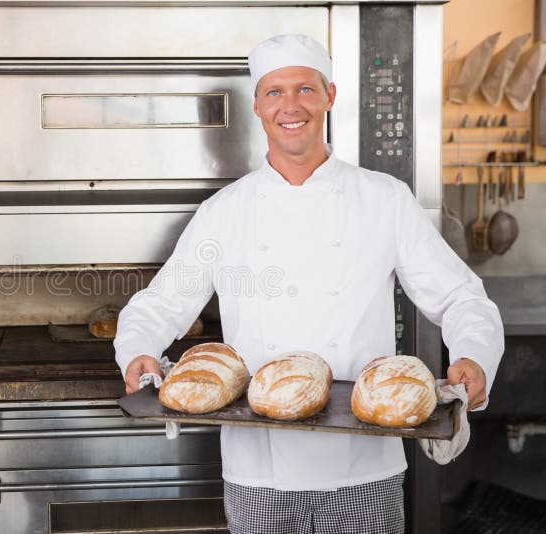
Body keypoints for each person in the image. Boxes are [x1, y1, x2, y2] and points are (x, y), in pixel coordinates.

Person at [113, 34, 504, 534]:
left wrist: (473, 354)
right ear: (257, 104)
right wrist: (138, 350)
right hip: (257, 470)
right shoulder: (224, 212)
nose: (290, 106)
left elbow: (459, 296)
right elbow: (162, 302)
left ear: (329, 97)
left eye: (305, 89)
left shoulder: (383, 200)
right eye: (274, 92)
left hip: (365, 467)